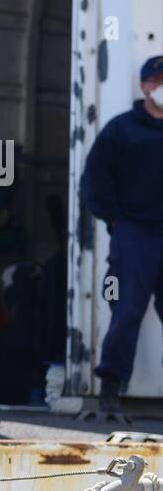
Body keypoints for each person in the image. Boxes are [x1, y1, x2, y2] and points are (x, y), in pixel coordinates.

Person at [83, 54, 163, 415]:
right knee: (126, 310)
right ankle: (111, 391)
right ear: (145, 85)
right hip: (134, 235)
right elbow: (95, 180)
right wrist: (114, 220)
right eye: (158, 80)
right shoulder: (121, 130)